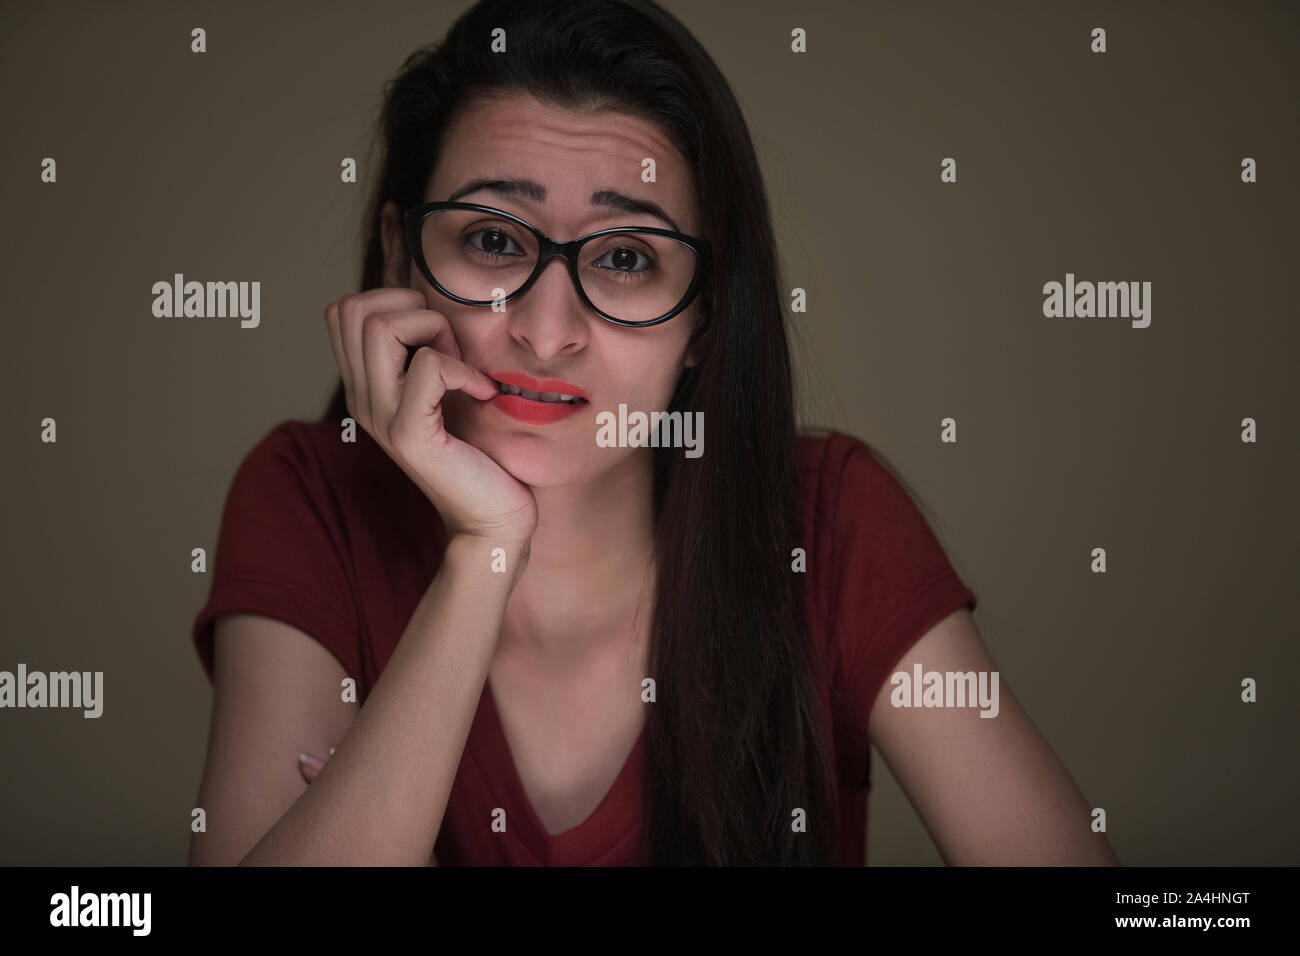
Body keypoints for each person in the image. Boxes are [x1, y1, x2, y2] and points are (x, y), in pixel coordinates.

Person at [187, 0, 1120, 866]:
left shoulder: (829, 523)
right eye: (495, 241)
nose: (547, 332)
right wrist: (485, 551)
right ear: (401, 256)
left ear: (704, 320)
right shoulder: (310, 492)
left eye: (626, 258)